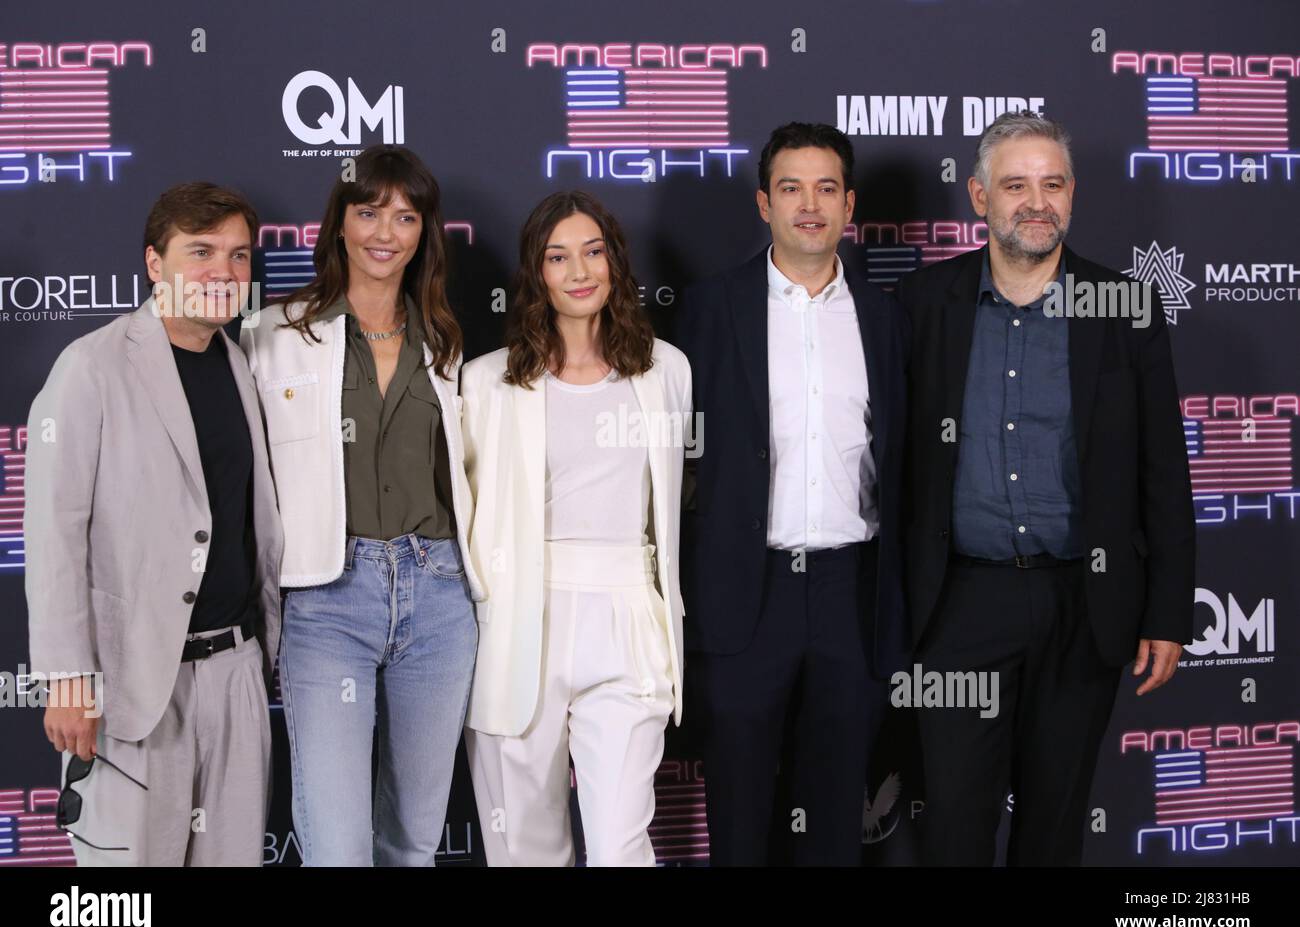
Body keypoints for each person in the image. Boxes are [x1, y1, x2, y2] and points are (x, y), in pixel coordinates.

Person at [896, 110, 1195, 865]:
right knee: (954, 830)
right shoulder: (923, 304)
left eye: (1053, 184)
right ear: (978, 197)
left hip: (1083, 606)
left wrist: (1168, 612)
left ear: (1072, 195)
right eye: (1016, 185)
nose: (1037, 202)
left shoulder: (1123, 305)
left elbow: (1164, 468)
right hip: (959, 608)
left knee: (1054, 831)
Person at [26, 182, 282, 866]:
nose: (223, 273)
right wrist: (67, 682)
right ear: (152, 263)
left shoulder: (243, 364)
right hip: (131, 679)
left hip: (234, 671)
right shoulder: (92, 366)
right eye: (201, 252)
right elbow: (53, 535)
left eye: (237, 256)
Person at [674, 122, 909, 865]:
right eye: (791, 187)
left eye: (826, 188)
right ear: (762, 203)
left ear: (849, 206)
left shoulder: (887, 316)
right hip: (746, 595)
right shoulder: (709, 310)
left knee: (838, 817)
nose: (810, 204)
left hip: (851, 594)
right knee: (738, 821)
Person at [240, 145, 479, 866]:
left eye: (406, 216)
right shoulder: (272, 334)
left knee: (411, 837)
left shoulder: (443, 339)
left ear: (424, 232)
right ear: (339, 223)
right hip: (327, 600)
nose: (386, 231)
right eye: (369, 210)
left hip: (438, 597)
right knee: (338, 846)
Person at [461, 190, 691, 866]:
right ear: (537, 274)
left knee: (621, 845)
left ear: (615, 263)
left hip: (628, 620)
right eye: (558, 257)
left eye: (592, 252)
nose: (579, 270)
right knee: (524, 849)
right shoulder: (486, 384)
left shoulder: (667, 371)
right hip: (518, 626)